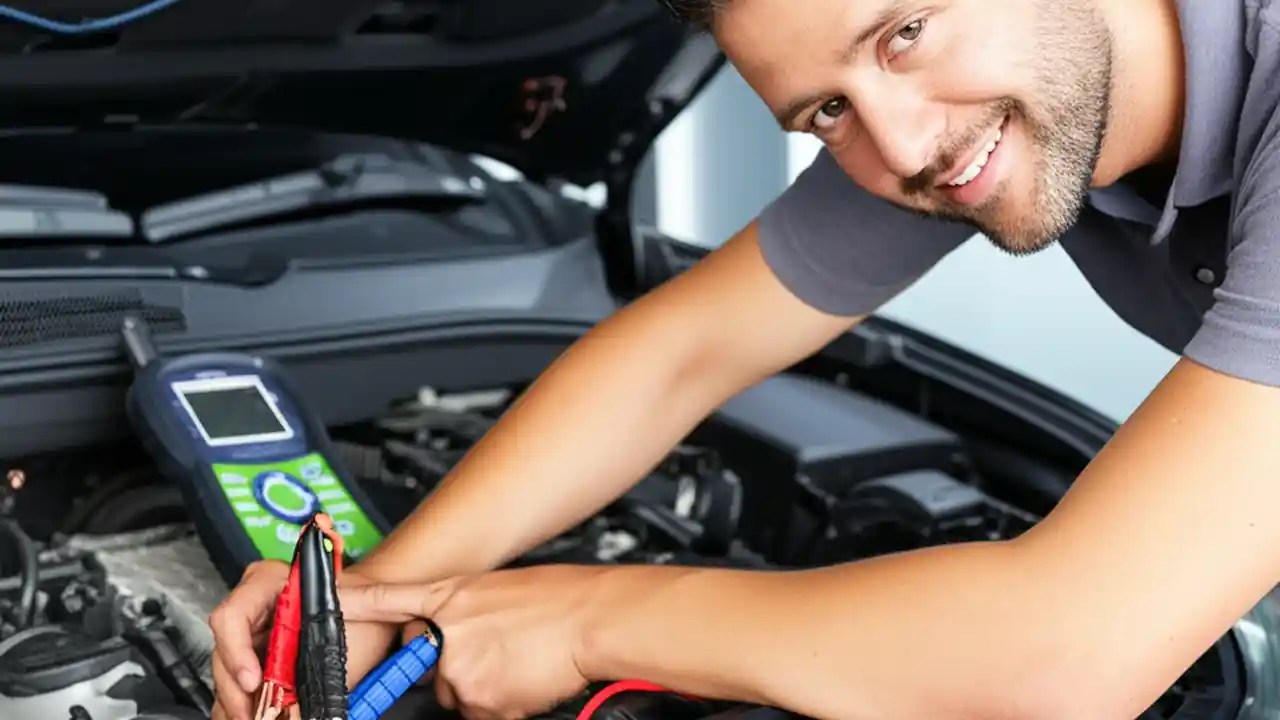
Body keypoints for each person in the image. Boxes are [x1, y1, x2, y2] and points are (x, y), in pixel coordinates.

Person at [210, 0, 1280, 717]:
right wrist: (380, 601)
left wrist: (580, 620)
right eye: (825, 111)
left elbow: (1064, 657)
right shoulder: (991, 106)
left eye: (901, 32)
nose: (902, 148)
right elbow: (680, 348)